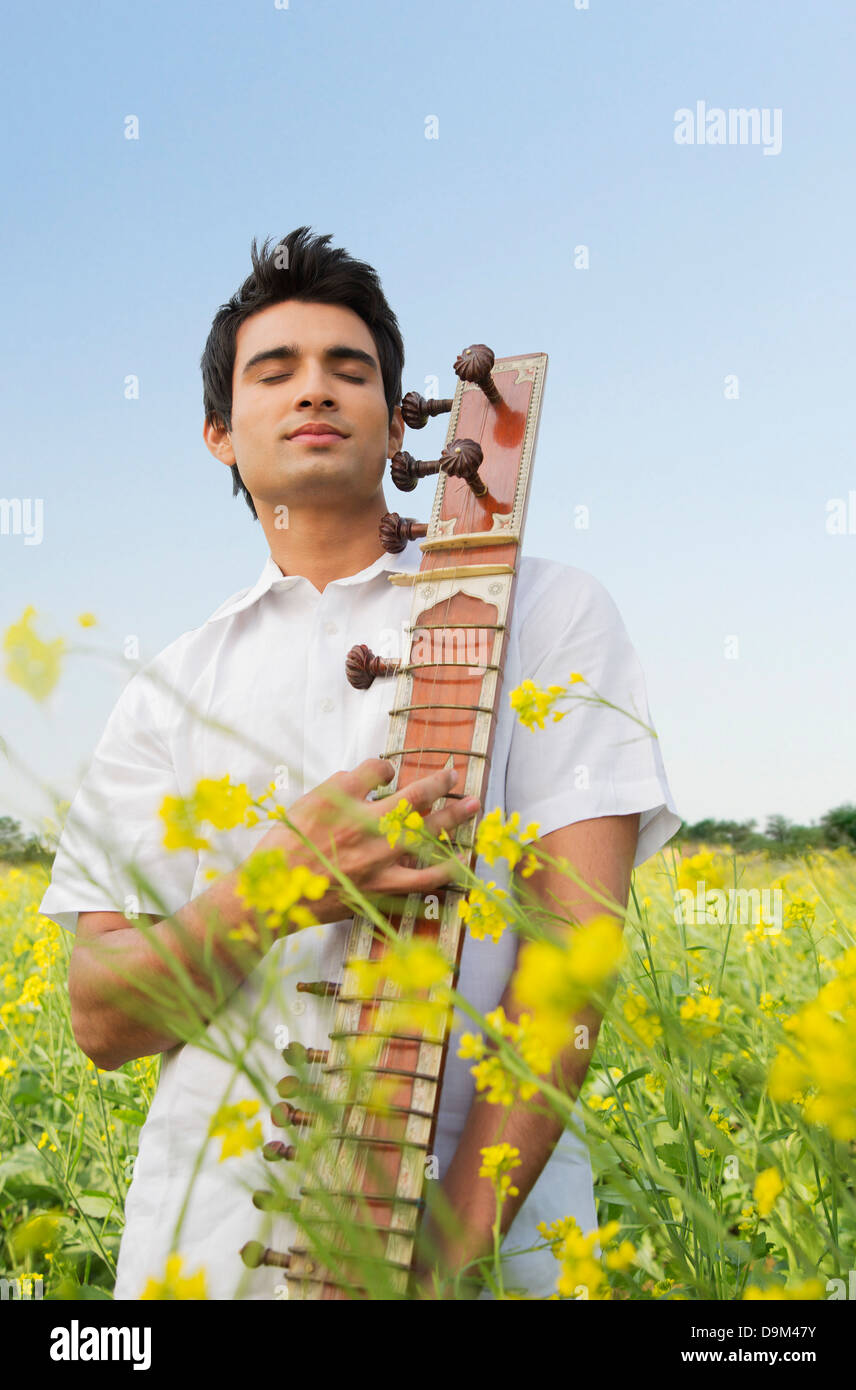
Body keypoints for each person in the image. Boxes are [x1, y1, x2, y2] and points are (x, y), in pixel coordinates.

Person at [38, 226, 681, 1300]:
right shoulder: (165, 688)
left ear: (402, 423)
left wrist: (443, 1263)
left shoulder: (548, 609)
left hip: (481, 1254)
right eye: (273, 369)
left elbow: (572, 970)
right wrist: (281, 884)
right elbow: (103, 1018)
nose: (316, 390)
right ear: (216, 432)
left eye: (352, 368)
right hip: (201, 1259)